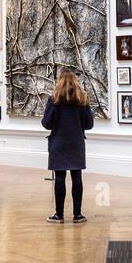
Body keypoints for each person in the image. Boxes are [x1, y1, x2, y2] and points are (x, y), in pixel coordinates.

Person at [41, 69, 94, 224]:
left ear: (60, 81)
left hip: (59, 143)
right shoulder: (82, 99)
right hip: (76, 143)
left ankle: (59, 215)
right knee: (77, 176)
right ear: (75, 81)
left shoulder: (54, 99)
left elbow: (47, 124)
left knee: (60, 177)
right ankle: (77, 215)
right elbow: (89, 124)